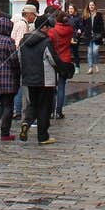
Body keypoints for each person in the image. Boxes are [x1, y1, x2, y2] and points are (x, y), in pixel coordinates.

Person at [18, 14, 60, 143]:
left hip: (29, 78)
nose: (50, 30)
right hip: (45, 79)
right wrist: (62, 68)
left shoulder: (23, 41)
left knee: (33, 104)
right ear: (44, 27)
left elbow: (19, 58)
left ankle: (26, 122)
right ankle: (43, 136)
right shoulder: (46, 41)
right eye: (49, 27)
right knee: (44, 107)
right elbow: (53, 60)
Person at [47, 9, 75, 119]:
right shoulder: (69, 30)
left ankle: (50, 111)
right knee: (62, 86)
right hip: (66, 59)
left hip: (55, 60)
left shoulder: (52, 31)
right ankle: (59, 111)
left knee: (52, 87)